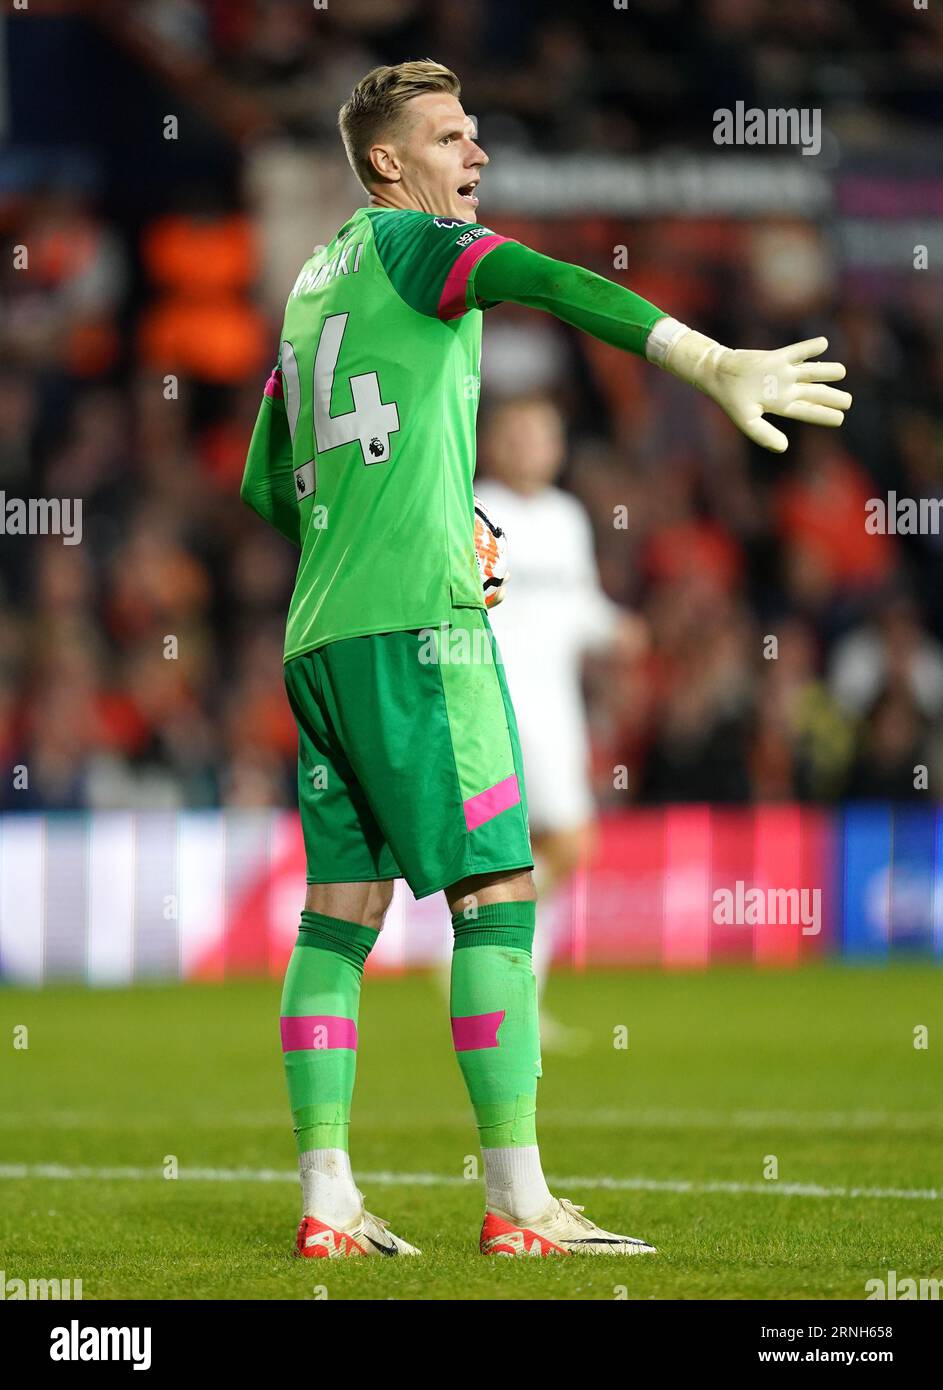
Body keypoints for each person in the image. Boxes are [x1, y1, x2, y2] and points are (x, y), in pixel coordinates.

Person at [241, 59, 851, 1260]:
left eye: (475, 135)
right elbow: (551, 279)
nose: (474, 155)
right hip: (422, 630)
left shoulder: (311, 290)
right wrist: (710, 359)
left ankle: (327, 1201)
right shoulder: (414, 245)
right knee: (500, 902)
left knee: (337, 922)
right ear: (386, 164)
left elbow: (269, 483)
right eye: (449, 137)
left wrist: (399, 527)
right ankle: (519, 1204)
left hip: (318, 634)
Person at [477, 395, 648, 1051]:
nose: (529, 446)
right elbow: (471, 607)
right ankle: (496, 978)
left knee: (558, 850)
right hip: (494, 701)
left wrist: (617, 629)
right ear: (492, 442)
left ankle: (515, 994)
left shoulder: (566, 517)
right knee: (543, 847)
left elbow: (579, 608)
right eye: (516, 433)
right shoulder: (476, 509)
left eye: (541, 434)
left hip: (555, 707)